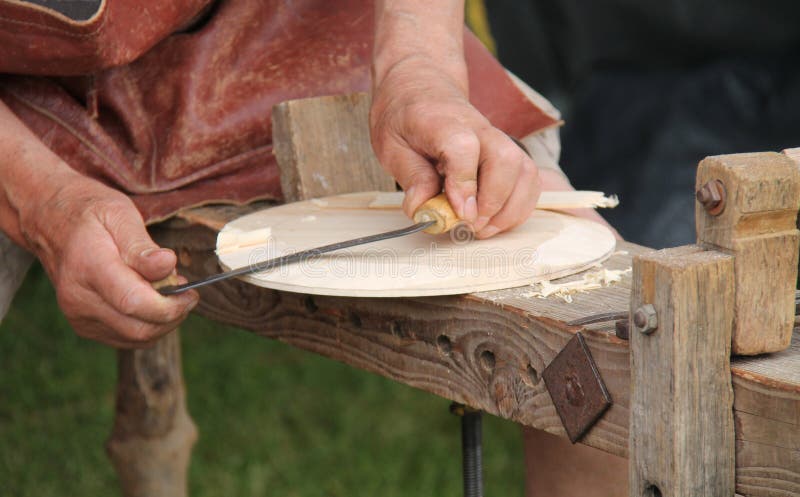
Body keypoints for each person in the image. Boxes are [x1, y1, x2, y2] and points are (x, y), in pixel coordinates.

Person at [0, 1, 614, 496]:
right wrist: (39, 200)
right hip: (21, 87)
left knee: (592, 305)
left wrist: (419, 69)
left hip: (276, 27)